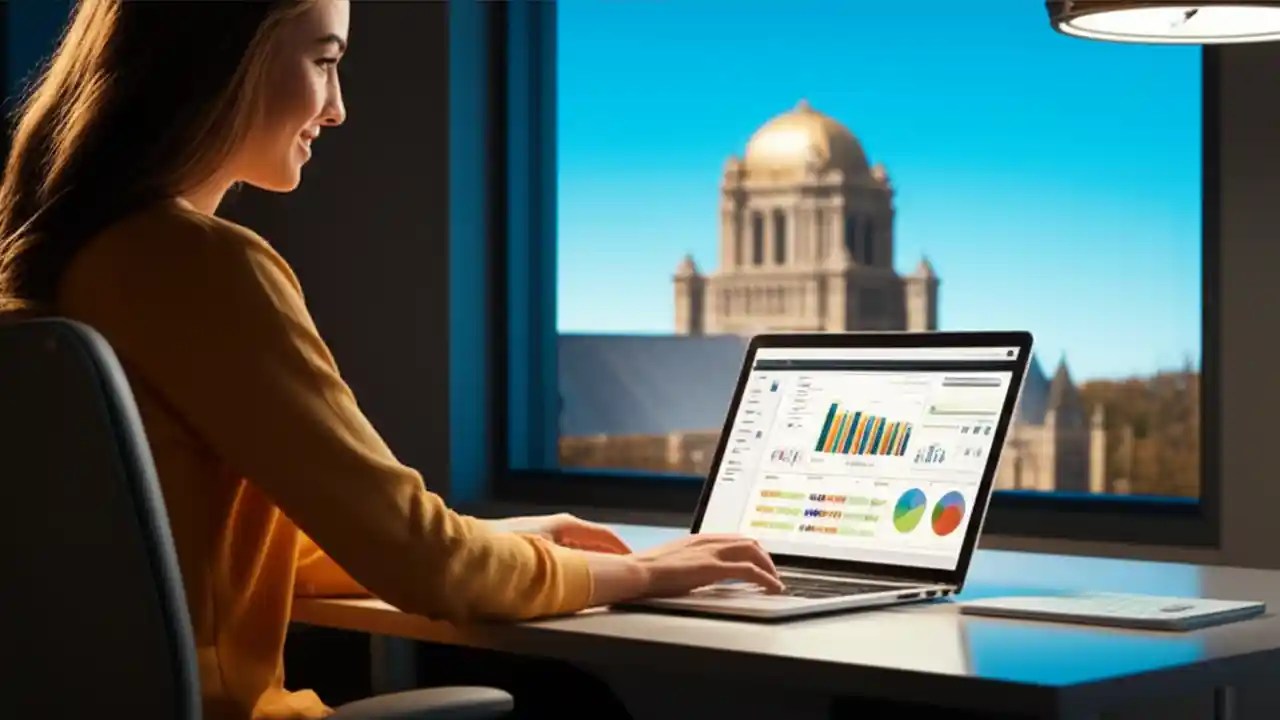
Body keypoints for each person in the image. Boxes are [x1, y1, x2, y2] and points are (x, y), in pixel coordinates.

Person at [0, 2, 784, 719]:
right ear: (227, 57)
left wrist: (509, 543)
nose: (339, 109)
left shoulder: (71, 264)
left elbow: (211, 558)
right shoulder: (204, 267)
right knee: (573, 704)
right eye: (324, 60)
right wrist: (644, 573)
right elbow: (425, 568)